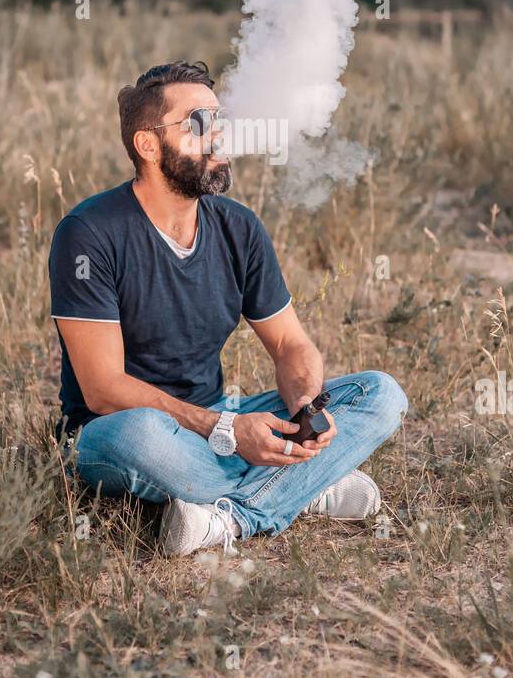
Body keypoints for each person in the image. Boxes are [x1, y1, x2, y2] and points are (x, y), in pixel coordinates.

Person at [48, 60, 407, 556]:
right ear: (148, 146)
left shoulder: (239, 227)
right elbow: (104, 391)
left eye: (220, 119)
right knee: (142, 436)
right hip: (115, 433)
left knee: (380, 394)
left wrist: (304, 405)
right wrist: (226, 432)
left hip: (219, 418)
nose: (218, 135)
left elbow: (289, 344)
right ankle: (297, 491)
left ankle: (230, 513)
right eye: (198, 123)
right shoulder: (88, 234)